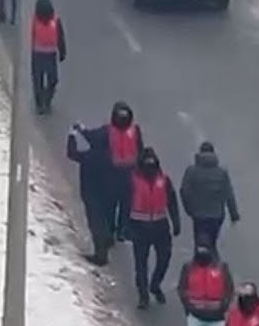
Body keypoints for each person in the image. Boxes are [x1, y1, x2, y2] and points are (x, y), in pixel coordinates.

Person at [127, 147, 181, 310]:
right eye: (147, 164)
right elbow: (125, 203)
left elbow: (172, 201)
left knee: (164, 259)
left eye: (153, 164)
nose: (150, 167)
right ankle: (143, 296)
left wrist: (176, 222)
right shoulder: (132, 180)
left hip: (160, 226)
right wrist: (125, 227)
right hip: (139, 227)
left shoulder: (164, 180)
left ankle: (155, 284)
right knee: (141, 264)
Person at [180, 141, 241, 252]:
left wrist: (189, 209)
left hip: (198, 215)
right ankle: (213, 262)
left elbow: (184, 192)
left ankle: (199, 263)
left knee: (200, 243)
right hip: (216, 215)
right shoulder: (221, 172)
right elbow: (229, 194)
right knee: (212, 243)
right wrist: (234, 214)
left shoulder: (191, 171)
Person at [67, 125, 113, 266]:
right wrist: (83, 130)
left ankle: (101, 255)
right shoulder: (111, 156)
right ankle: (107, 240)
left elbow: (72, 153)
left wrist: (72, 136)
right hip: (108, 192)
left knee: (95, 223)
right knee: (105, 219)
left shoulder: (89, 156)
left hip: (91, 194)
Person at [98, 101, 144, 241]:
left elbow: (140, 148)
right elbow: (101, 151)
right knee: (109, 205)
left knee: (126, 205)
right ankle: (110, 229)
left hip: (129, 173)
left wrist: (140, 168)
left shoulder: (135, 130)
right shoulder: (107, 131)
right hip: (111, 174)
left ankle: (122, 229)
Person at [178, 244, 235, 325]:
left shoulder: (222, 267)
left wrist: (224, 306)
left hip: (217, 315)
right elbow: (182, 287)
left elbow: (229, 288)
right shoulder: (188, 267)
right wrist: (189, 307)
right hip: (195, 315)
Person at [29, 0, 66, 114]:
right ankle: (41, 103)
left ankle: (44, 100)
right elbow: (61, 38)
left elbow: (60, 37)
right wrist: (62, 52)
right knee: (41, 81)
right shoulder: (38, 20)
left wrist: (62, 52)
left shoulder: (53, 21)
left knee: (47, 80)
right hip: (41, 54)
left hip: (46, 54)